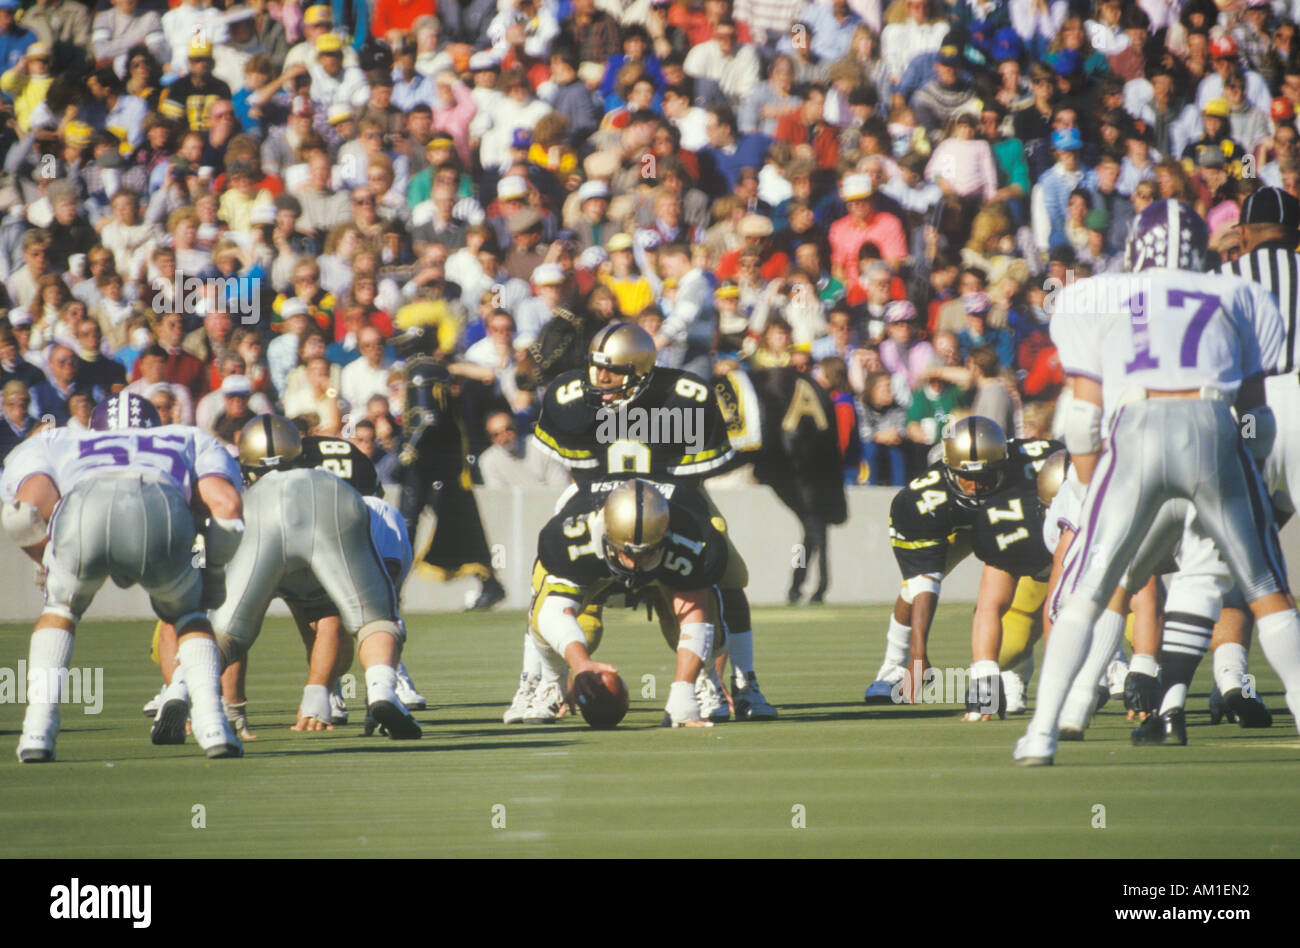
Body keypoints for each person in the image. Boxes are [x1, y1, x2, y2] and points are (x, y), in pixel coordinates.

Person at [1015, 199, 1300, 765]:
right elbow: (1256, 417)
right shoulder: (1240, 294)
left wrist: (1098, 489)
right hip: (1212, 425)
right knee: (1267, 588)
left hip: (1135, 430)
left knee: (1091, 587)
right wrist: (1243, 478)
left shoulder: (1096, 296)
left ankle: (1044, 730)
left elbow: (1079, 417)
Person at [516, 321, 777, 724]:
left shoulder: (685, 396)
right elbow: (576, 473)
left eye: (612, 370)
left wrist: (672, 519)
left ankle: (741, 682)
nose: (598, 378)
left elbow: (694, 478)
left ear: (641, 370)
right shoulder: (570, 396)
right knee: (545, 580)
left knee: (726, 571)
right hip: (594, 499)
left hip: (671, 497)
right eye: (595, 366)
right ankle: (539, 682)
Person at [0, 394, 246, 761]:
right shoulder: (187, 436)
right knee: (189, 616)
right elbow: (227, 507)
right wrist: (212, 574)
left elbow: (21, 515)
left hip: (85, 509)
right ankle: (212, 725)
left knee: (61, 610)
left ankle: (37, 729)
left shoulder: (59, 438)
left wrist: (46, 563)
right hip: (158, 506)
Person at [208, 415, 421, 739]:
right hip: (357, 524)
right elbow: (373, 498)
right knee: (373, 618)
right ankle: (379, 687)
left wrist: (201, 564)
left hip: (267, 530)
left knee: (224, 622)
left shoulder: (232, 471)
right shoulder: (334, 461)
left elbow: (208, 524)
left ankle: (189, 693)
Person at [524, 479, 727, 727]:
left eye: (646, 553)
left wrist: (682, 697)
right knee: (544, 613)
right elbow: (553, 613)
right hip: (593, 562)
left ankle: (705, 681)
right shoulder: (570, 537)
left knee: (721, 600)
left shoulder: (692, 537)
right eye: (627, 553)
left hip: (672, 535)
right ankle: (550, 682)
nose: (634, 563)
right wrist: (581, 665)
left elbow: (696, 619)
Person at [478, 410, 570, 488]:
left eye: (508, 429)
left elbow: (560, 486)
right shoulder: (488, 461)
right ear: (492, 440)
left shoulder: (542, 446)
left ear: (516, 427)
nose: (504, 437)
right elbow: (499, 499)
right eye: (496, 434)